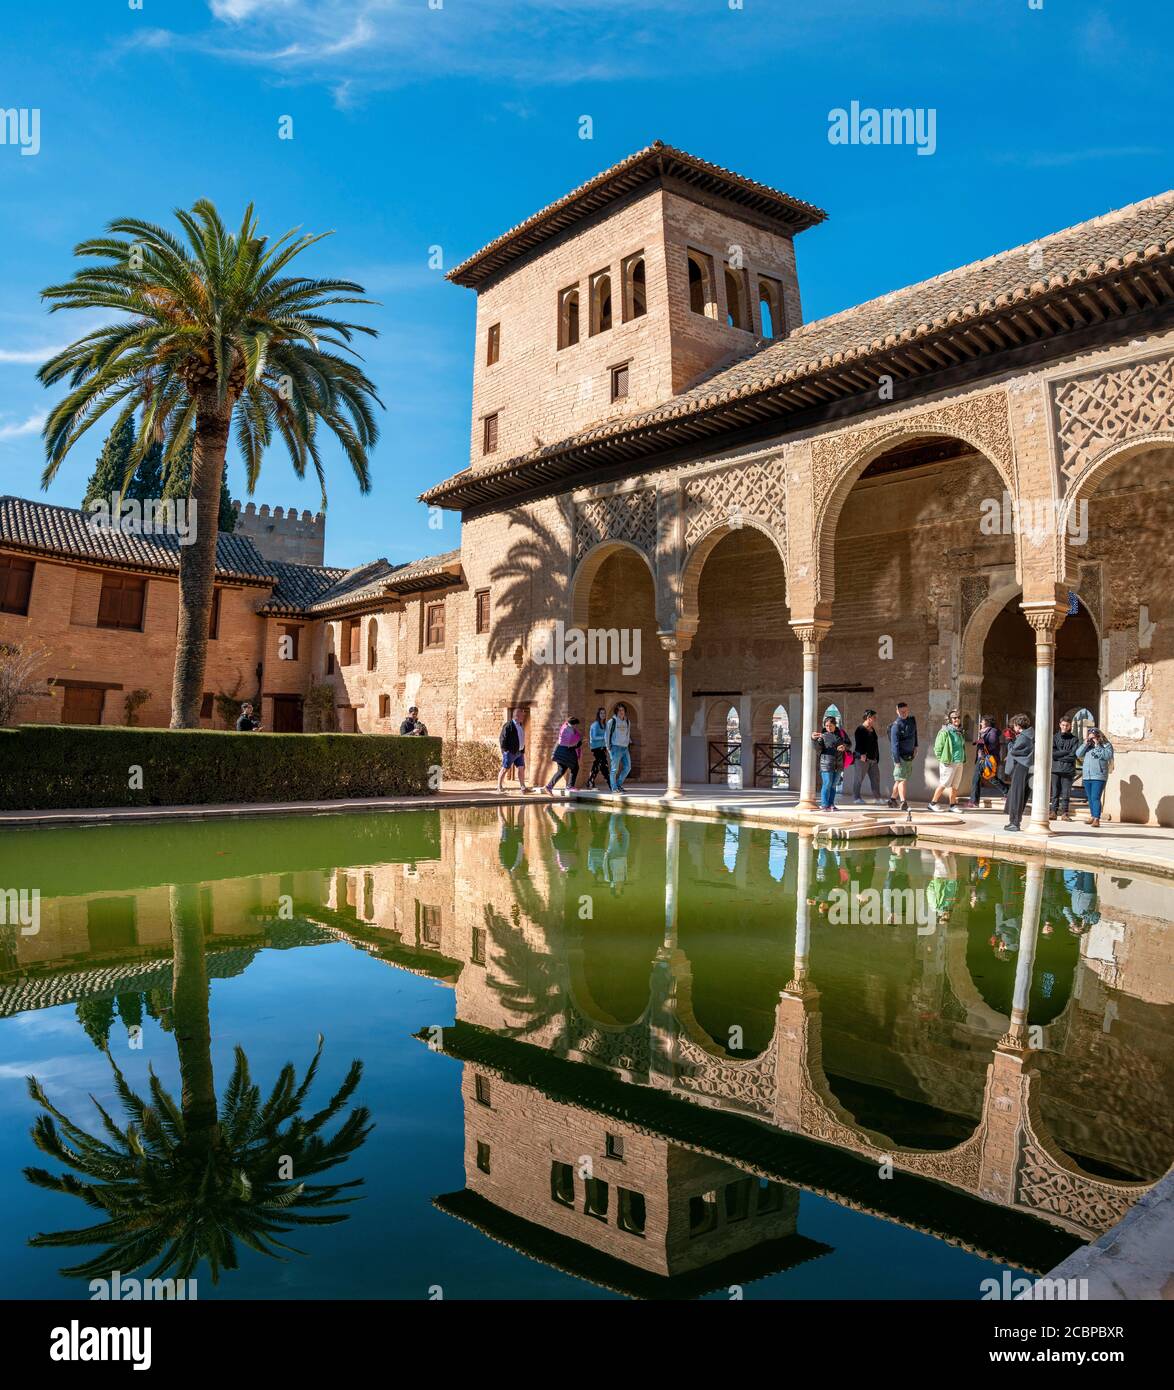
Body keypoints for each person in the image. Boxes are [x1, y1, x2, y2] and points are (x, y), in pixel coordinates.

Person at [1074, 727, 1114, 828]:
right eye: (1090, 737)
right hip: (1087, 775)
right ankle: (1092, 816)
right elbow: (1078, 754)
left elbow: (1107, 756)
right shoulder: (1087, 746)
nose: (1092, 739)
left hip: (1099, 776)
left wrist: (1097, 745)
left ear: (1098, 736)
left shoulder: (1106, 745)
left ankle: (1097, 818)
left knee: (1095, 797)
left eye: (1094, 737)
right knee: (1090, 798)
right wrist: (1085, 743)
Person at [929, 710, 966, 813]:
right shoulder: (945, 731)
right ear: (950, 720)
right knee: (944, 783)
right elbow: (937, 748)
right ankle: (932, 803)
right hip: (949, 762)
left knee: (955, 785)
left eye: (958, 717)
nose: (957, 719)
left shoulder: (959, 731)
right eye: (954, 718)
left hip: (959, 761)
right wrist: (943, 760)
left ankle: (952, 805)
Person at [1003, 713, 1035, 832]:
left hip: (1022, 767)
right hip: (1029, 767)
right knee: (1021, 794)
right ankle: (1015, 821)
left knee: (1017, 794)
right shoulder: (1031, 734)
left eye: (1014, 726)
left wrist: (1009, 741)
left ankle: (1015, 823)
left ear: (1018, 725)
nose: (1013, 728)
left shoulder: (1024, 736)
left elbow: (1014, 751)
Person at [811, 715, 849, 811]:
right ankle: (824, 804)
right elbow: (817, 748)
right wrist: (813, 739)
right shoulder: (822, 736)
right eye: (826, 725)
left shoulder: (841, 733)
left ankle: (831, 804)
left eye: (830, 725)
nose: (828, 727)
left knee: (833, 785)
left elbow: (849, 743)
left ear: (835, 725)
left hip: (838, 764)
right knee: (827, 783)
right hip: (826, 764)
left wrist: (844, 746)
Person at [887, 701, 918, 810]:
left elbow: (915, 733)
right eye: (901, 711)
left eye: (905, 711)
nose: (903, 713)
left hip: (909, 755)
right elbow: (894, 745)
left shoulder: (911, 721)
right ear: (897, 711)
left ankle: (892, 800)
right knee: (902, 779)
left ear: (907, 710)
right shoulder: (895, 726)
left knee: (900, 779)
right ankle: (903, 802)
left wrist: (916, 746)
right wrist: (896, 761)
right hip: (900, 756)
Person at [970, 714, 1007, 807]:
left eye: (982, 721)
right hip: (982, 758)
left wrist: (982, 743)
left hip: (986, 758)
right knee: (991, 778)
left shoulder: (992, 732)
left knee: (976, 779)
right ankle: (1007, 791)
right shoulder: (984, 732)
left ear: (987, 722)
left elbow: (993, 744)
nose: (981, 722)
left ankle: (974, 801)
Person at [1050, 714, 1079, 821]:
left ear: (1070, 726)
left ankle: (1065, 813)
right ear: (1060, 725)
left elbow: (1073, 755)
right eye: (1063, 725)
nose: (1065, 727)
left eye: (1067, 725)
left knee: (1066, 793)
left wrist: (1060, 756)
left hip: (1068, 770)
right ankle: (1053, 812)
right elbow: (1052, 753)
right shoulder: (1054, 737)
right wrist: (1066, 752)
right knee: (1055, 792)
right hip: (1055, 769)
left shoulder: (1074, 739)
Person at [850, 709, 882, 804]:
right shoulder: (860, 729)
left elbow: (875, 744)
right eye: (874, 717)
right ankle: (856, 798)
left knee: (876, 779)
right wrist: (862, 754)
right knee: (858, 778)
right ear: (868, 718)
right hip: (862, 759)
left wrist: (877, 757)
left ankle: (878, 798)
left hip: (873, 759)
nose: (875, 719)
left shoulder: (872, 730)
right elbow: (859, 744)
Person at [544, 715, 582, 794]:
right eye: (575, 724)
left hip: (560, 752)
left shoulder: (565, 727)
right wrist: (577, 744)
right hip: (565, 752)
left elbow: (572, 740)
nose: (575, 726)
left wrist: (577, 743)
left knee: (561, 770)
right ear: (571, 724)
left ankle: (549, 787)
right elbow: (569, 743)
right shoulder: (567, 730)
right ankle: (570, 786)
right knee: (575, 768)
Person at [497, 706, 530, 794]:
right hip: (510, 752)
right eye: (522, 715)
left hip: (519, 752)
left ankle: (523, 787)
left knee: (521, 768)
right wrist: (505, 751)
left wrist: (522, 750)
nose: (523, 717)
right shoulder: (508, 725)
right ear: (517, 716)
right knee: (505, 768)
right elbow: (502, 739)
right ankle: (499, 787)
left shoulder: (520, 725)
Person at [606, 703, 633, 792]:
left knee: (628, 767)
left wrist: (628, 741)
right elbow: (607, 735)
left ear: (625, 711)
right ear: (616, 711)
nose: (621, 712)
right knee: (614, 769)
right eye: (619, 710)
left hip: (625, 748)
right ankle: (614, 788)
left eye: (623, 710)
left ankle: (618, 784)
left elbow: (627, 733)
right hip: (615, 747)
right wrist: (608, 747)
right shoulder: (612, 721)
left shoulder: (627, 721)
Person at [585, 707, 610, 790]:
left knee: (600, 764)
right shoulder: (595, 725)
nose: (603, 715)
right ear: (598, 715)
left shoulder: (605, 724)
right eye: (601, 713)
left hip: (603, 747)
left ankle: (590, 782)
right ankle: (610, 783)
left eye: (604, 713)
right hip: (596, 747)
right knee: (603, 764)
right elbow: (594, 737)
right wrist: (604, 737)